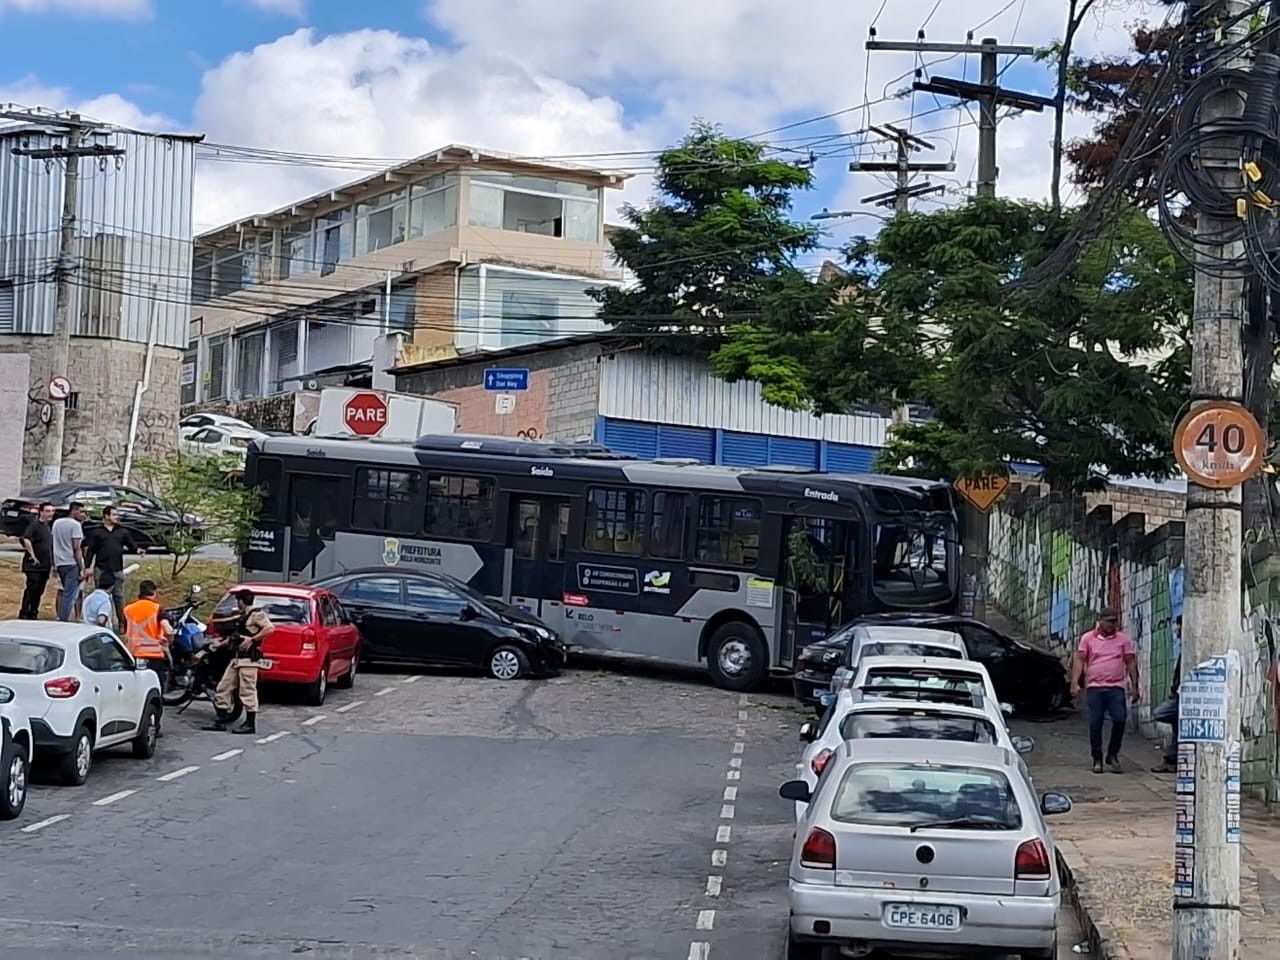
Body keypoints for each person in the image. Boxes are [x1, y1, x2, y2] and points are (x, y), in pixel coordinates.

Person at [1071, 606, 1140, 774]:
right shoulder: (1088, 638)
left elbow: (1130, 662)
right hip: (1095, 687)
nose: (1112, 625)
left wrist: (1135, 686)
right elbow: (1079, 660)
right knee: (1095, 722)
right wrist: (1074, 682)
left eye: (1115, 622)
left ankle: (1112, 754)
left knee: (1120, 719)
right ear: (1100, 621)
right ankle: (1097, 758)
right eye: (1109, 622)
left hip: (1116, 686)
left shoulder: (1123, 640)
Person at [203, 589, 274, 736]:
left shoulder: (256, 614)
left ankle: (250, 723)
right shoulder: (242, 617)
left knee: (247, 691)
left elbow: (270, 628)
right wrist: (219, 644)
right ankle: (221, 720)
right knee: (224, 687)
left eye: (238, 601)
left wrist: (252, 639)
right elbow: (236, 637)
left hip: (249, 660)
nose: (237, 604)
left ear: (242, 601)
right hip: (237, 659)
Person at [83, 506, 138, 628]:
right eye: (114, 515)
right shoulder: (97, 532)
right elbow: (91, 550)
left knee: (119, 597)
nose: (117, 517)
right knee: (101, 596)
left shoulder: (122, 532)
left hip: (117, 568)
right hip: (101, 568)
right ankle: (101, 622)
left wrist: (138, 550)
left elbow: (131, 544)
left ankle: (122, 623)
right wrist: (87, 567)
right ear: (106, 516)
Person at [122, 579, 174, 700]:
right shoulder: (157, 608)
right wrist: (169, 640)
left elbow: (125, 631)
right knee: (156, 692)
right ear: (154, 593)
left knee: (136, 692)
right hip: (154, 657)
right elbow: (168, 629)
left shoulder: (128, 609)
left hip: (133, 655)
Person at [1151, 616, 1183, 774]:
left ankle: (1173, 759)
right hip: (1179, 696)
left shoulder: (1192, 648)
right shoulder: (1185, 648)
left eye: (1179, 626)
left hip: (1183, 699)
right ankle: (1172, 759)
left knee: (1161, 713)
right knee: (1178, 727)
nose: (1177, 630)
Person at [51, 502, 89, 622]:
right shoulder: (75, 525)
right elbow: (76, 548)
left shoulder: (57, 523)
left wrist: (54, 564)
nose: (83, 514)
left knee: (64, 591)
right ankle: (63, 620)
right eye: (81, 512)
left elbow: (53, 543)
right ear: (74, 511)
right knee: (70, 595)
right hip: (72, 563)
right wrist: (82, 568)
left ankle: (61, 616)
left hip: (60, 562)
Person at [18, 502, 55, 619]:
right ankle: (25, 612)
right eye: (48, 511)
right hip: (34, 566)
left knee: (39, 591)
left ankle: (34, 612)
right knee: (31, 590)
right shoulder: (35, 525)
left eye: (52, 511)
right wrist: (32, 555)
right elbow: (26, 539)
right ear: (41, 512)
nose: (50, 514)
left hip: (45, 566)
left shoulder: (48, 527)